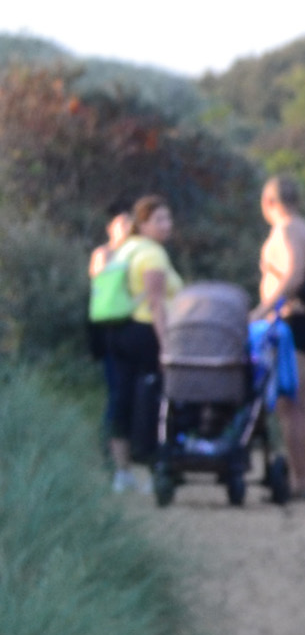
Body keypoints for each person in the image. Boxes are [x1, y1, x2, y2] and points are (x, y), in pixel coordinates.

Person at [86, 197, 176, 492]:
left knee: (121, 397)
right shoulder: (152, 253)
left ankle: (121, 472)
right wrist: (166, 346)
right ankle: (152, 469)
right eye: (159, 220)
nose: (167, 225)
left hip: (117, 330)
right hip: (145, 332)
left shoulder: (125, 249)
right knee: (151, 399)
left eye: (168, 219)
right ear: (144, 224)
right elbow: (156, 303)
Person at [253, 175, 305, 501]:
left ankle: (302, 484)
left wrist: (261, 311)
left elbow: (294, 274)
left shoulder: (286, 230)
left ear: (269, 202)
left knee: (291, 405)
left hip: (295, 322)